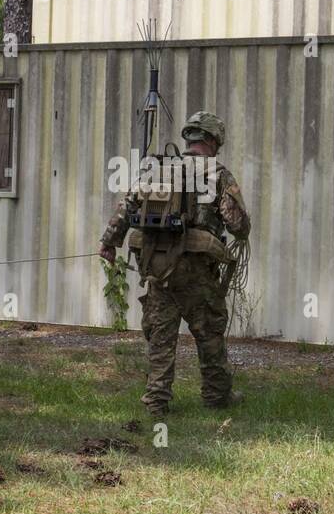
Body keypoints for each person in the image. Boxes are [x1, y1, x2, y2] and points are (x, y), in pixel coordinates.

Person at [99, 111, 251, 416]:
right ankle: (216, 396)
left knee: (161, 338)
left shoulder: (157, 170)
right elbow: (237, 226)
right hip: (197, 273)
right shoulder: (217, 174)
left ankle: (156, 401)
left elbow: (127, 207)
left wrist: (108, 243)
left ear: (189, 139)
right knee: (209, 336)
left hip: (158, 268)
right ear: (211, 140)